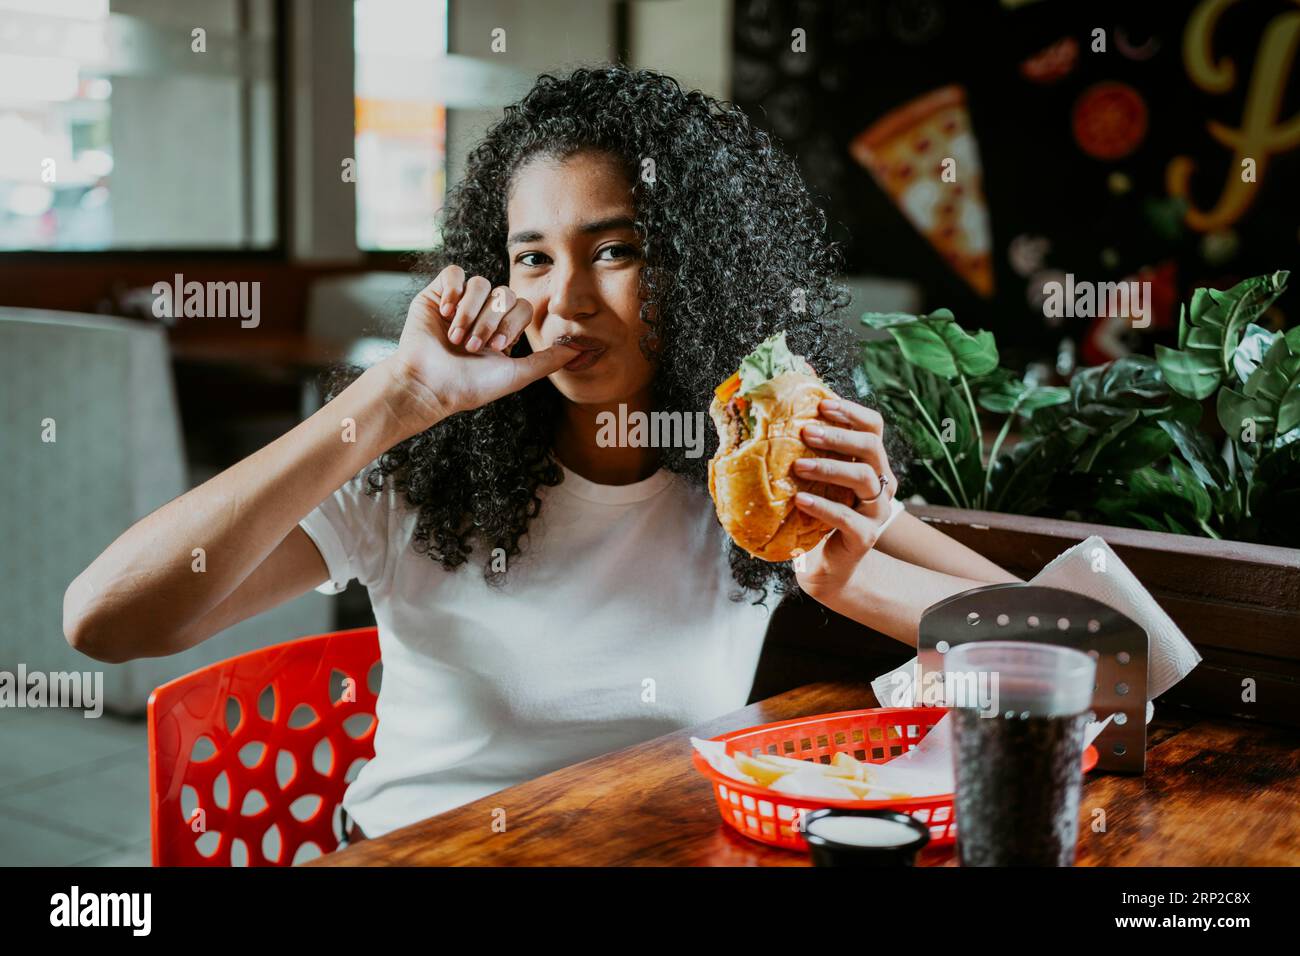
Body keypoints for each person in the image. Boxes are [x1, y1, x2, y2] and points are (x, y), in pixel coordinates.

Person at [64, 66, 1020, 846]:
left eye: (615, 251)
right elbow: (104, 623)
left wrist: (877, 520)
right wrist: (394, 399)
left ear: (705, 265)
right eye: (531, 257)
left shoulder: (758, 492)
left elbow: (1098, 664)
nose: (566, 301)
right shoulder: (422, 480)